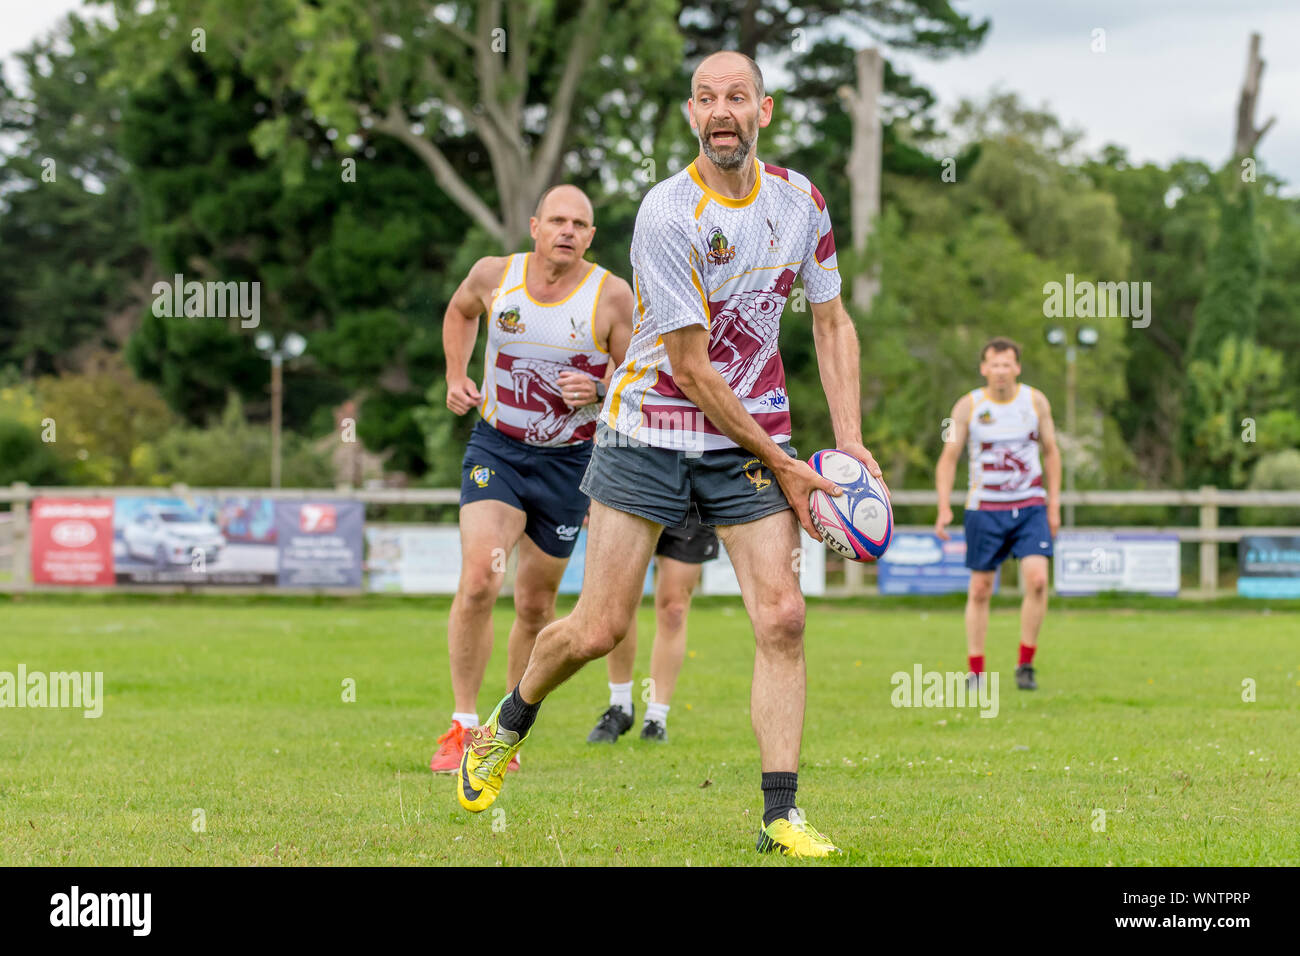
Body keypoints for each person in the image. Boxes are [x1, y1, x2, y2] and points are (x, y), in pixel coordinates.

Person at [454, 50, 883, 859]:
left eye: (738, 97)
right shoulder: (667, 211)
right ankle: (509, 722)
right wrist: (793, 466)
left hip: (750, 438)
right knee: (598, 626)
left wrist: (850, 445)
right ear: (692, 115)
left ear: (764, 110)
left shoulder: (802, 204)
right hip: (649, 426)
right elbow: (690, 367)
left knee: (784, 618)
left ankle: (779, 816)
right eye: (707, 98)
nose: (723, 111)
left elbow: (831, 322)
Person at [428, 184, 634, 773]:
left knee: (535, 606)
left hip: (571, 464)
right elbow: (460, 310)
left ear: (591, 237)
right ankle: (462, 726)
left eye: (581, 224)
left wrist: (598, 390)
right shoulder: (497, 275)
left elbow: (644, 376)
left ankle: (500, 732)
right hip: (498, 447)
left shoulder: (612, 297)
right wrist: (454, 374)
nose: (568, 231)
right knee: (478, 581)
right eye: (559, 221)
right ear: (535, 225)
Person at [934, 337, 1062, 692]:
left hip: (1030, 505)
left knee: (1037, 580)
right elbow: (948, 458)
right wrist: (944, 506)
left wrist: (1053, 504)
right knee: (979, 589)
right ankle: (976, 670)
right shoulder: (967, 407)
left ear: (1017, 368)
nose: (1001, 371)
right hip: (984, 509)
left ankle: (1025, 664)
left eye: (1008, 364)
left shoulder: (1035, 402)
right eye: (995, 364)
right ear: (984, 368)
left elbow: (1051, 453)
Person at [586, 504, 718, 743]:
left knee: (674, 610)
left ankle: (656, 717)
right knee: (621, 600)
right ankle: (620, 705)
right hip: (638, 488)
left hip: (692, 493)